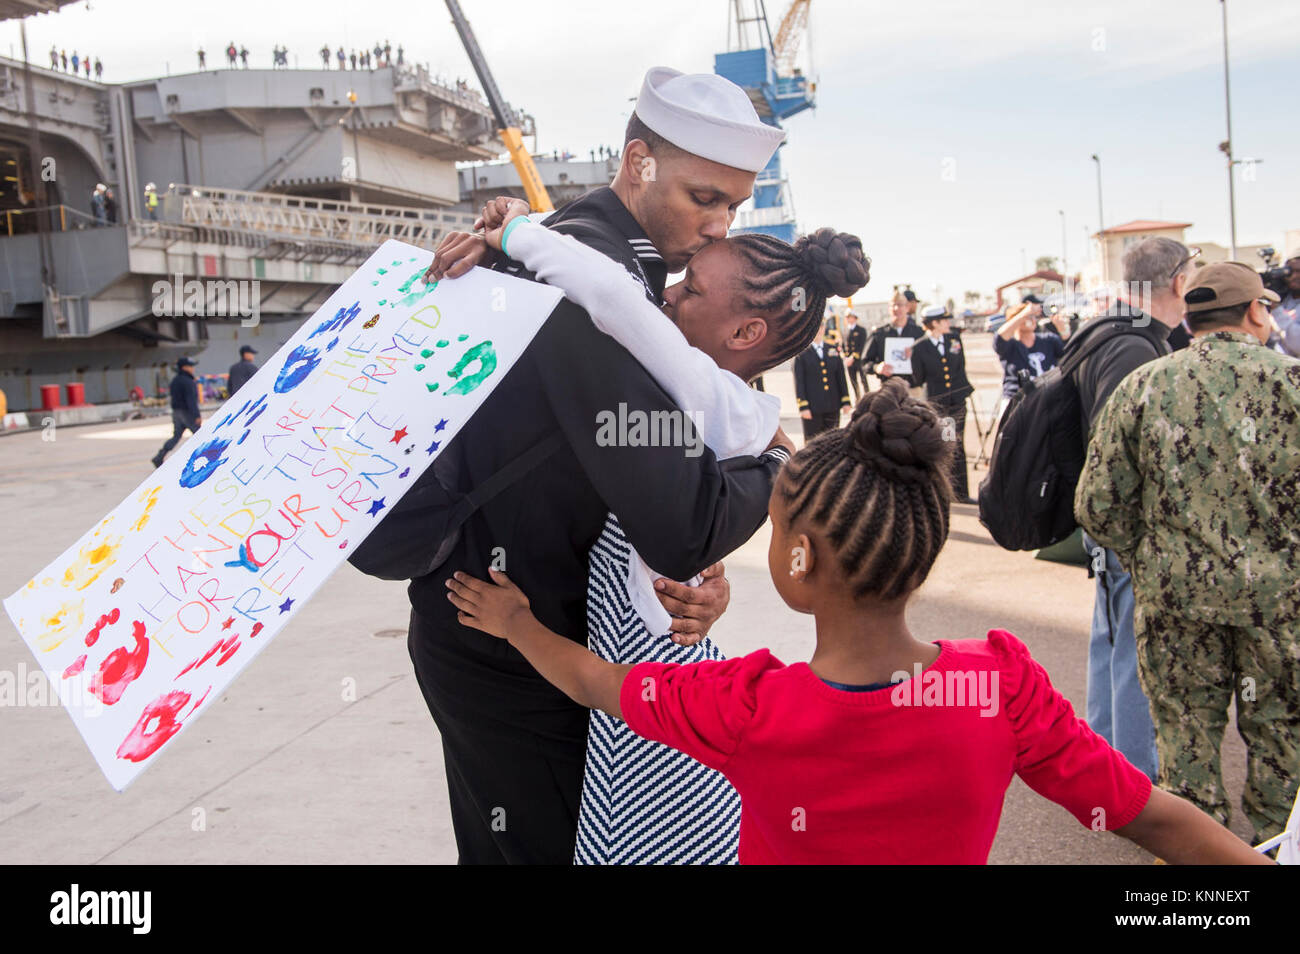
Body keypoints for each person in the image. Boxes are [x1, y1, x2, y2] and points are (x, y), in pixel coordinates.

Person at [444, 380, 1270, 865]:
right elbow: (1152, 817)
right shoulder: (1000, 685)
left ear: (799, 564)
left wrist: (514, 621)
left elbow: (595, 681)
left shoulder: (746, 706)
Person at [403, 66, 790, 865]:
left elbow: (640, 486)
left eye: (735, 207)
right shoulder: (592, 282)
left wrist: (687, 575)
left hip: (530, 626)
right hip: (513, 645)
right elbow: (683, 519)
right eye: (705, 197)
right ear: (639, 161)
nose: (721, 226)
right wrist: (778, 465)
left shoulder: (596, 260)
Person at [438, 197, 866, 863]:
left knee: (628, 829)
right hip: (667, 650)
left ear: (747, 334)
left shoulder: (700, 387)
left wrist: (520, 232)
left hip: (636, 655)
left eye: (691, 289)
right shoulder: (753, 418)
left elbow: (614, 299)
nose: (668, 295)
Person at [1075, 261, 1299, 848]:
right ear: (1254, 312)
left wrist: (1150, 562)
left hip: (1174, 606)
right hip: (1278, 609)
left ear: (1194, 319)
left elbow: (1097, 504)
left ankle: (1196, 879)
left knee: (1185, 745)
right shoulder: (1293, 383)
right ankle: (1278, 847)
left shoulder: (1145, 385)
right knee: (1282, 745)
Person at [1072, 236, 1197, 784]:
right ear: (1177, 282)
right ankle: (1133, 780)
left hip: (1105, 525)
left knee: (1111, 642)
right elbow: (1119, 446)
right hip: (1127, 527)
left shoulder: (1108, 333)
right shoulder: (1135, 347)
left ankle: (1103, 765)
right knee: (1136, 655)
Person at [911, 304, 973, 503]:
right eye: (944, 320)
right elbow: (918, 378)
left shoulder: (954, 339)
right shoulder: (920, 347)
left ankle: (962, 493)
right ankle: (945, 491)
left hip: (957, 400)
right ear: (934, 323)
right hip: (939, 403)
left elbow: (960, 366)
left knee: (959, 443)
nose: (948, 323)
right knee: (945, 443)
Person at [993, 295, 1066, 400]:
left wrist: (1063, 329)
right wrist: (1024, 313)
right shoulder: (1010, 345)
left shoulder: (1048, 340)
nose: (1032, 320)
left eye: (1033, 317)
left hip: (1049, 395)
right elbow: (999, 338)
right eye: (1028, 317)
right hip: (1017, 398)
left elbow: (1068, 350)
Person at [793, 323, 851, 441]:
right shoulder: (801, 354)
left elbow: (841, 377)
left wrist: (846, 401)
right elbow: (799, 382)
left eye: (821, 326)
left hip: (833, 405)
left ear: (824, 328)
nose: (818, 330)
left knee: (832, 442)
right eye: (815, 326)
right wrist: (803, 406)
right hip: (812, 408)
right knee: (812, 444)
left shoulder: (832, 350)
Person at [863, 291, 924, 394]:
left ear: (907, 308)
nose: (896, 309)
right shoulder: (879, 334)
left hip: (914, 389)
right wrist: (877, 367)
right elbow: (864, 363)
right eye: (893, 305)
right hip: (889, 391)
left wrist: (915, 356)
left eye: (900, 305)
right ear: (889, 309)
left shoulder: (919, 333)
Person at [151, 357, 202, 468]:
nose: (192, 368)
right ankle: (204, 458)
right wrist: (197, 415)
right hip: (187, 412)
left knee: (176, 436)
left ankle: (159, 456)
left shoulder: (175, 380)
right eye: (190, 366)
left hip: (176, 412)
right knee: (200, 435)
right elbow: (191, 400)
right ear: (184, 367)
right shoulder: (188, 381)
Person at [1269, 252, 1300, 357]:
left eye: (1299, 271)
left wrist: (1276, 310)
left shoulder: (1277, 307)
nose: (1295, 276)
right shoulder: (1283, 298)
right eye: (1290, 272)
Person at [842, 311, 868, 401]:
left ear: (855, 318)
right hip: (849, 361)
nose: (848, 319)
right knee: (853, 381)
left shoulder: (861, 330)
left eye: (850, 317)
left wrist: (853, 357)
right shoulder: (845, 330)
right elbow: (844, 346)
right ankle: (858, 398)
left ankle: (867, 397)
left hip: (859, 360)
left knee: (863, 380)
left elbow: (862, 345)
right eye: (847, 317)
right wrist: (845, 358)